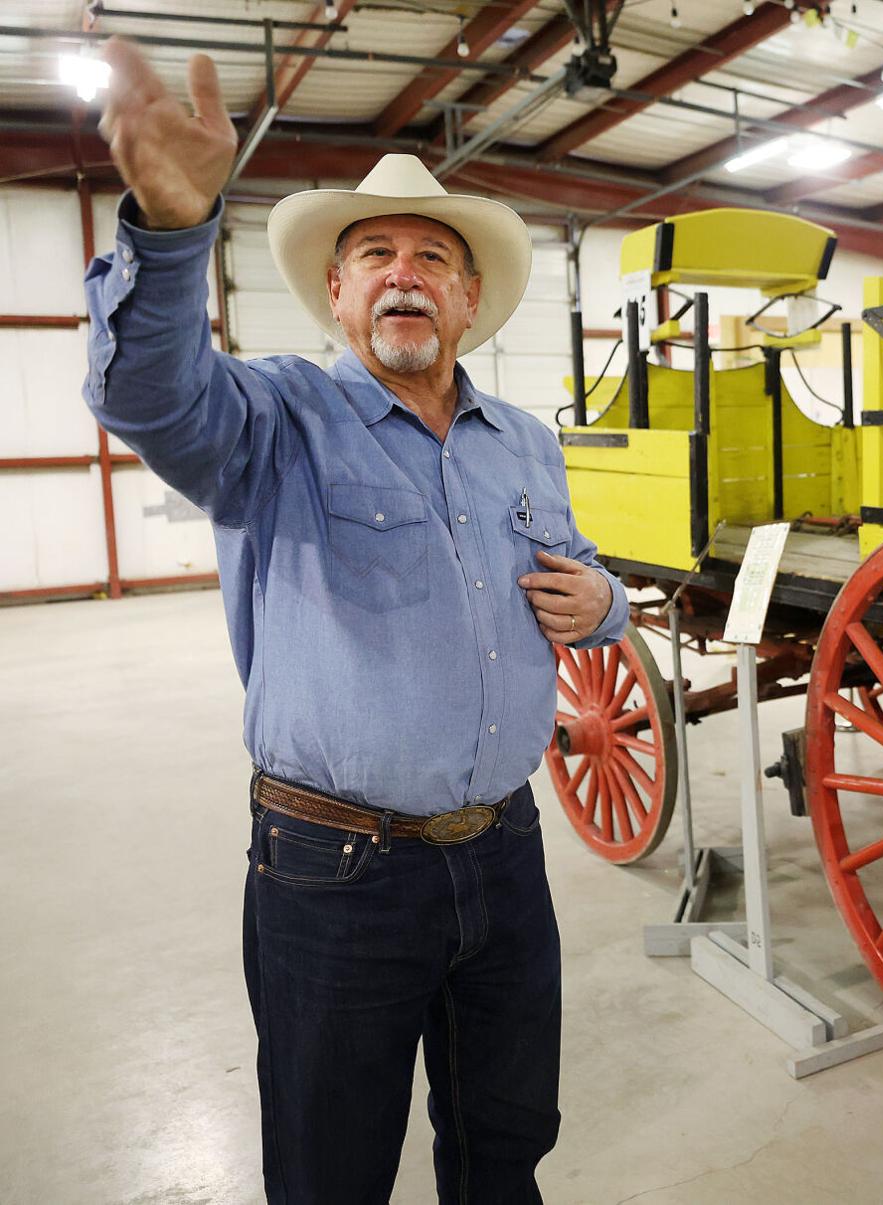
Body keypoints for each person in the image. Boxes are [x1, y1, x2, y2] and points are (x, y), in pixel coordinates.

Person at [83, 40, 628, 1203]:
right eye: (372, 253)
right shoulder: (276, 418)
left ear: (469, 299)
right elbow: (147, 393)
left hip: (506, 851)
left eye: (433, 256)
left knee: (506, 1141)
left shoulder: (525, 441)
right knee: (330, 1167)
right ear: (335, 295)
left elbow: (573, 568)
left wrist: (605, 601)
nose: (403, 272)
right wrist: (172, 232)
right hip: (337, 872)